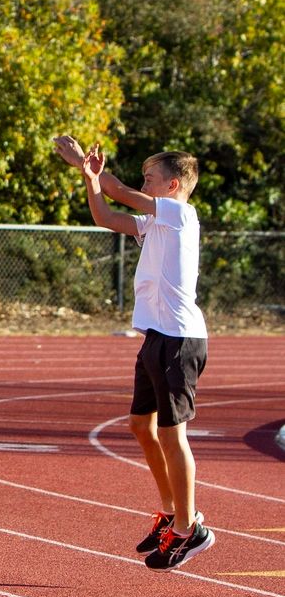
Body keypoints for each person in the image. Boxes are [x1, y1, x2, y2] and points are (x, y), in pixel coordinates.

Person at [55, 136, 214, 570]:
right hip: (156, 337)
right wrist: (89, 181)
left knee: (171, 434)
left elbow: (120, 193)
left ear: (173, 185)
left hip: (179, 339)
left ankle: (189, 527)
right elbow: (106, 214)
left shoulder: (180, 214)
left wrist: (85, 168)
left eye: (151, 178)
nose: (143, 184)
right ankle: (171, 510)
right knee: (140, 425)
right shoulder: (156, 222)